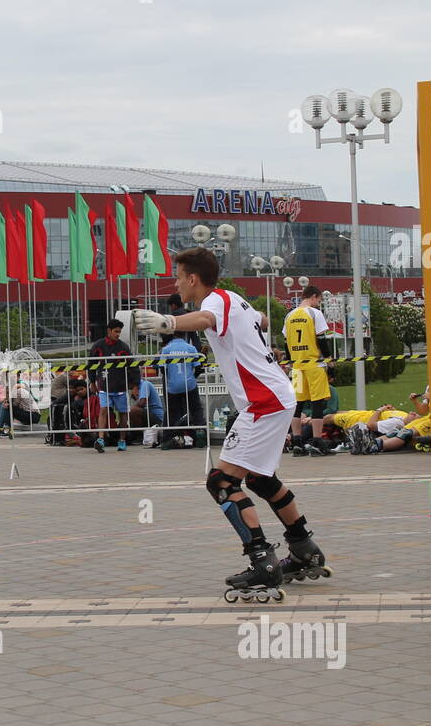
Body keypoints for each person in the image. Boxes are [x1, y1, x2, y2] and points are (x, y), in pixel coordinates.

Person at [135, 247, 331, 601]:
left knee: (221, 481)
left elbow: (206, 321)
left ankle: (262, 561)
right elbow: (261, 319)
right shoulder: (233, 299)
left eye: (178, 277)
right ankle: (304, 549)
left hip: (263, 401)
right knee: (258, 478)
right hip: (276, 396)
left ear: (192, 278)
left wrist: (170, 323)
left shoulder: (214, 304)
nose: (176, 284)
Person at [282, 285, 336, 456]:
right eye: (318, 300)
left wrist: (291, 361)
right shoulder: (314, 313)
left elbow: (286, 342)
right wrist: (329, 359)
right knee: (317, 402)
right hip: (314, 364)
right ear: (313, 297)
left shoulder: (290, 315)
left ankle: (297, 442)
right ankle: (317, 442)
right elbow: (321, 339)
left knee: (297, 404)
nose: (318, 304)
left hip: (297, 366)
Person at [89, 318, 133, 453]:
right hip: (103, 385)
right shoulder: (98, 346)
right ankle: (101, 438)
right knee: (103, 411)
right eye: (116, 331)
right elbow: (91, 366)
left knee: (123, 413)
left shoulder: (124, 347)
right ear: (109, 331)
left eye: (119, 332)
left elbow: (132, 366)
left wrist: (134, 384)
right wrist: (92, 382)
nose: (118, 334)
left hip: (120, 387)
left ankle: (122, 440)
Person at [158, 330, 205, 449]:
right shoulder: (191, 348)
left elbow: (163, 369)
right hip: (189, 384)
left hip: (173, 385)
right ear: (185, 335)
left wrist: (170, 378)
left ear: (173, 334)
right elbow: (198, 368)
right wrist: (192, 378)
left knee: (171, 412)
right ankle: (200, 430)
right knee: (196, 408)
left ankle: (168, 437)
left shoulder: (166, 349)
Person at [127, 370, 165, 446]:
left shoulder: (145, 384)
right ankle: (132, 436)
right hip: (147, 416)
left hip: (157, 418)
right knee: (131, 412)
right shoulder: (135, 389)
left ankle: (139, 436)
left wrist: (130, 411)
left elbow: (142, 403)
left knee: (134, 411)